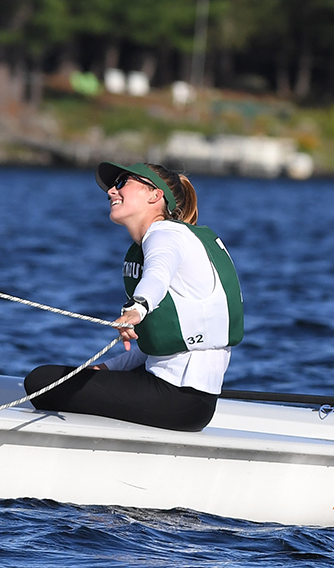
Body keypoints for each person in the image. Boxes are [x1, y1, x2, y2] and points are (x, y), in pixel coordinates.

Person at [25, 161, 243, 432]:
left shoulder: (164, 235)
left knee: (40, 381)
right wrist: (108, 368)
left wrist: (137, 308)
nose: (111, 192)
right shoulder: (174, 238)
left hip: (180, 398)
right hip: (185, 396)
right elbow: (157, 349)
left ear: (155, 195)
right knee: (67, 378)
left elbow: (157, 276)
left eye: (122, 183)